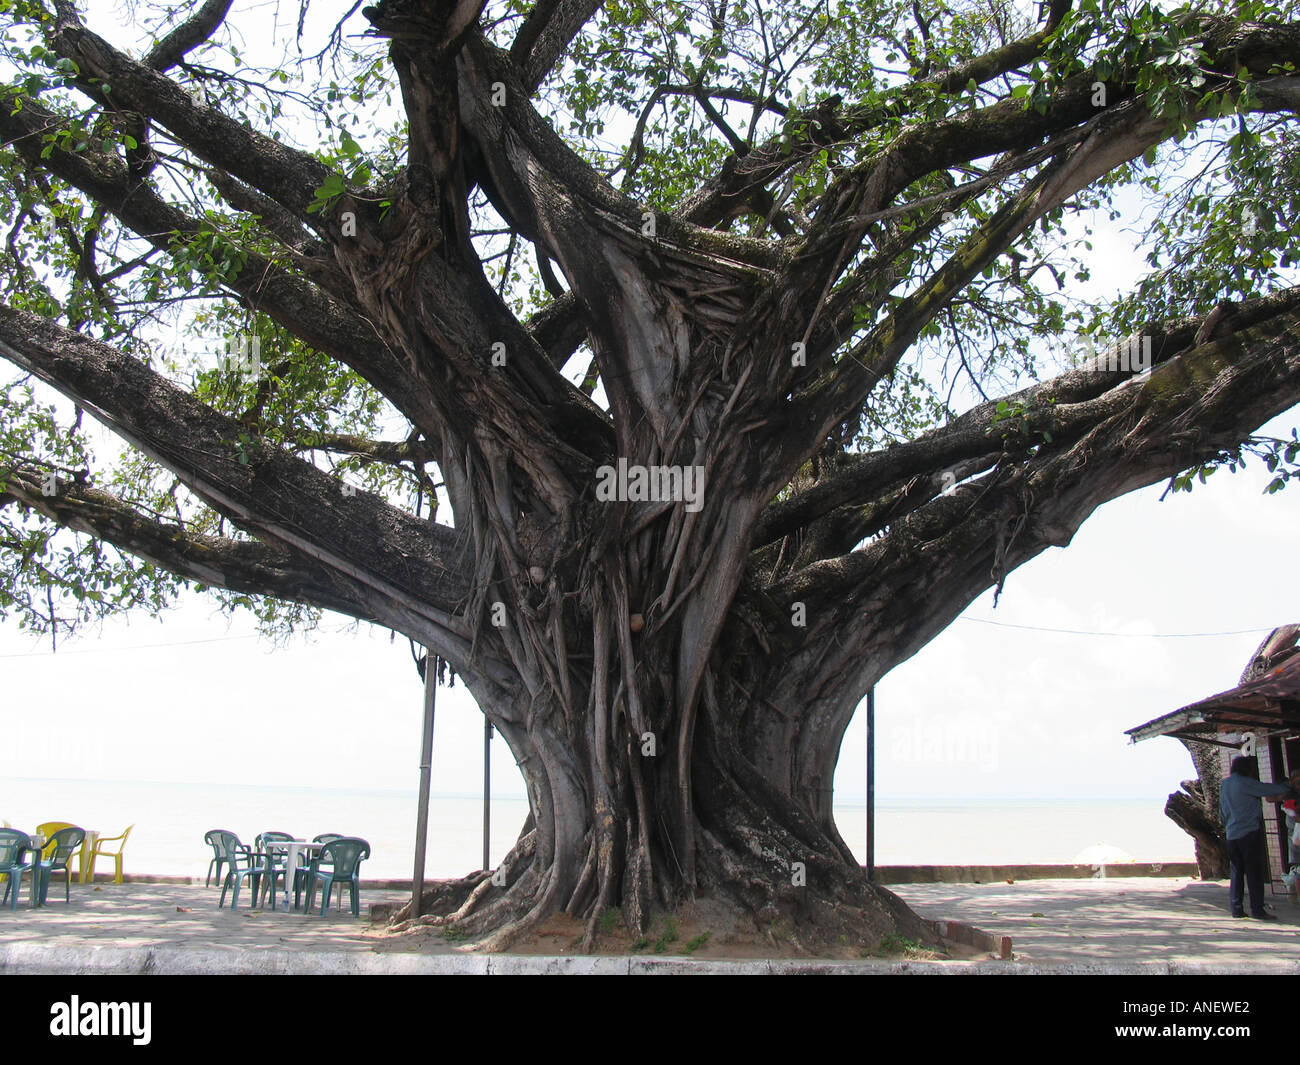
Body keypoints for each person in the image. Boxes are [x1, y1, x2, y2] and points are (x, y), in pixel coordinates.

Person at [1219, 756, 1296, 919]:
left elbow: (1222, 811)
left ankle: (1236, 908)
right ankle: (1257, 910)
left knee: (1237, 872)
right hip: (1247, 832)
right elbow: (1267, 790)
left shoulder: (1225, 784)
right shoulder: (1245, 783)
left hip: (1231, 834)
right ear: (1247, 769)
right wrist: (1288, 785)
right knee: (1254, 873)